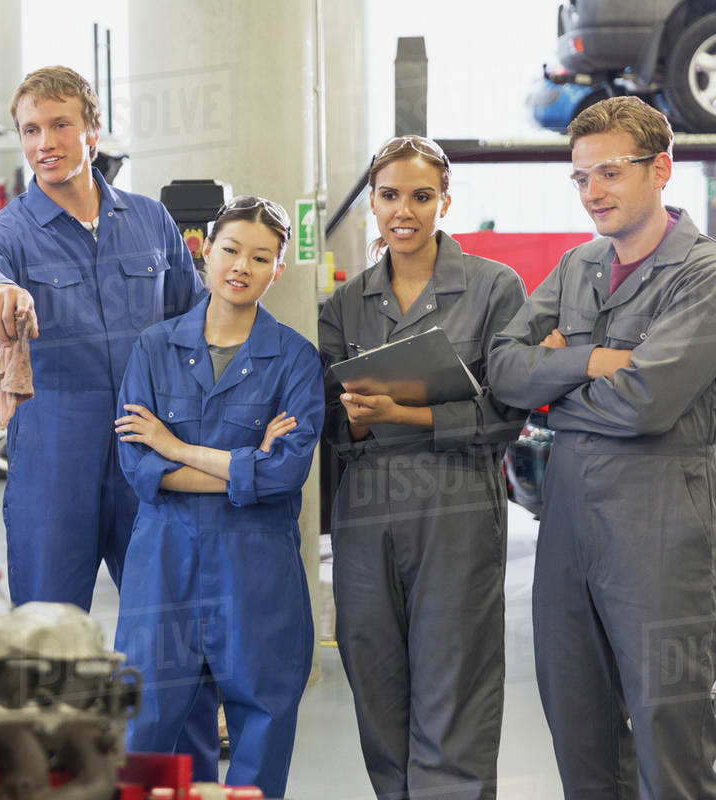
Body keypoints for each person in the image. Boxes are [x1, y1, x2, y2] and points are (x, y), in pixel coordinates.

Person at [488, 96, 716, 798]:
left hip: (660, 527)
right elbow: (503, 367)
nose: (592, 193)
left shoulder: (703, 275)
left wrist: (551, 387)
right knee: (577, 722)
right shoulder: (577, 265)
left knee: (666, 727)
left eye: (610, 173)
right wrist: (591, 362)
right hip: (566, 528)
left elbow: (648, 402)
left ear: (662, 169)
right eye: (581, 178)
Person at [318, 135, 526, 799]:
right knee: (376, 682)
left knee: (454, 683)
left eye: (420, 195)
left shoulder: (494, 288)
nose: (403, 210)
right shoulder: (343, 307)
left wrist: (406, 414)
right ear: (371, 204)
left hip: (456, 503)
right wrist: (350, 418)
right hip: (367, 510)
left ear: (445, 202)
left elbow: (508, 413)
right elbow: (329, 428)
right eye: (388, 195)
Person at [0, 65, 205, 610]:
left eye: (60, 125)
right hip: (53, 463)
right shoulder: (5, 233)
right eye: (31, 130)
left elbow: (198, 320)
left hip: (148, 447)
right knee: (49, 629)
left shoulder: (150, 221)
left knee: (168, 620)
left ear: (92, 130)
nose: (45, 143)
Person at [112, 196, 323, 796]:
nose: (241, 266)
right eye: (230, 249)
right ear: (205, 248)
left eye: (261, 257)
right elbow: (137, 465)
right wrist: (244, 466)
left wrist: (174, 447)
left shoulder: (294, 360)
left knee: (263, 714)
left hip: (255, 567)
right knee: (149, 722)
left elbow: (284, 474)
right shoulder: (154, 348)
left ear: (278, 269)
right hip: (164, 560)